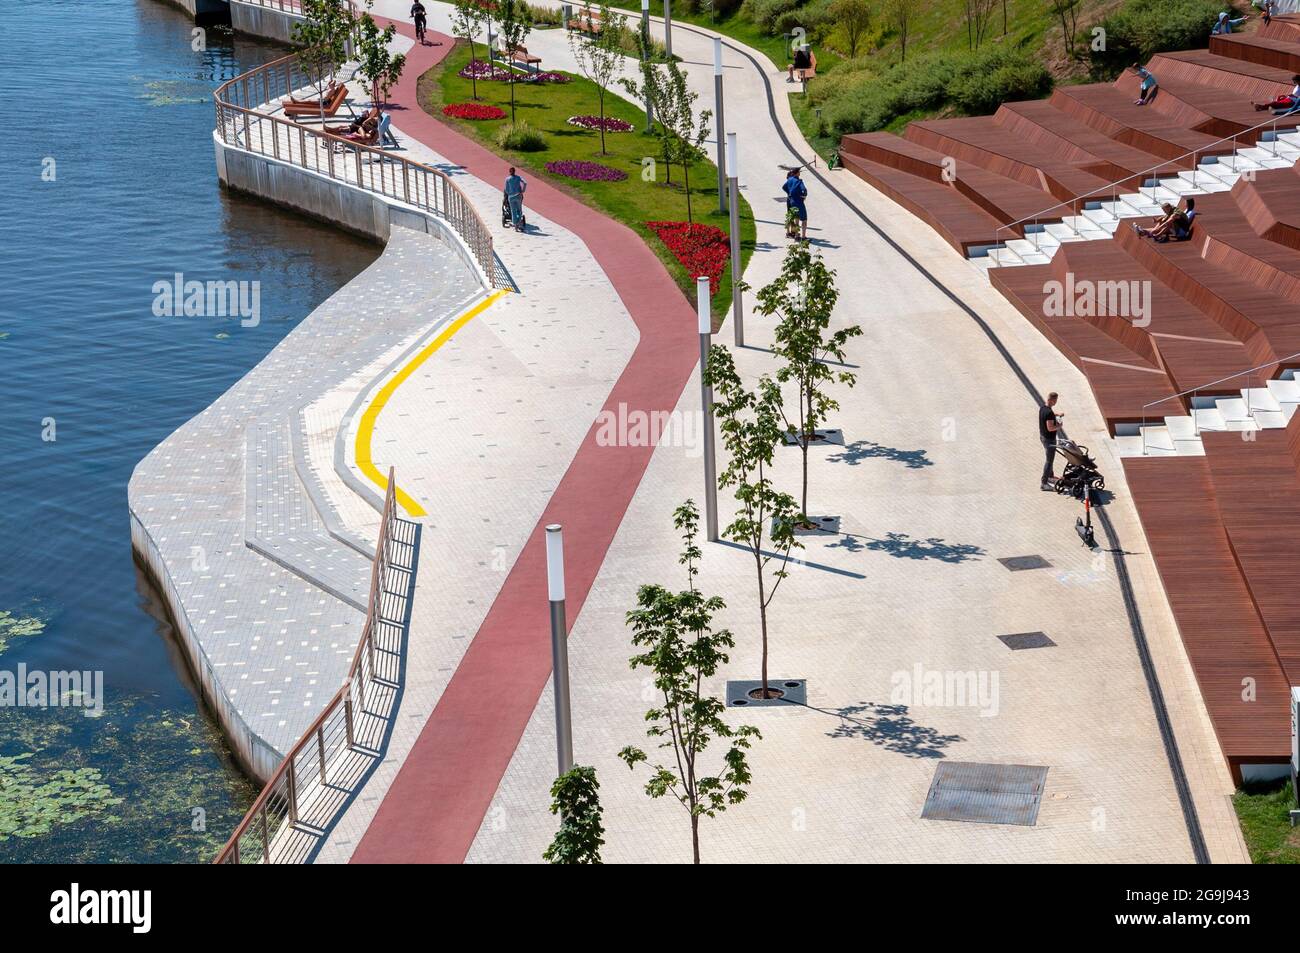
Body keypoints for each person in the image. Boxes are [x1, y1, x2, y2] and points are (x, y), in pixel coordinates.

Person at [1039, 393, 1062, 490]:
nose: (1056, 402)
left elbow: (1048, 416)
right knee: (1049, 461)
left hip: (1043, 437)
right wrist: (1059, 426)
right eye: (1056, 400)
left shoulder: (1043, 408)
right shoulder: (1048, 413)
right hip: (1049, 440)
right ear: (1052, 400)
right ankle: (1044, 483)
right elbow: (1050, 428)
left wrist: (1056, 414)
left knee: (1050, 459)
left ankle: (1050, 476)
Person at [782, 167, 808, 241]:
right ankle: (803, 237)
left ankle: (795, 235)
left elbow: (784, 187)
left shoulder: (789, 180)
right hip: (798, 202)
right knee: (804, 219)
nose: (800, 173)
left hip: (791, 201)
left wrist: (789, 193)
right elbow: (804, 190)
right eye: (799, 172)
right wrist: (803, 196)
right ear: (797, 173)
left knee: (795, 217)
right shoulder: (799, 181)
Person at [504, 166, 527, 231]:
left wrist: (509, 193)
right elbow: (525, 183)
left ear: (509, 172)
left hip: (511, 197)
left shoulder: (507, 179)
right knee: (519, 210)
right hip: (518, 195)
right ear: (514, 171)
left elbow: (506, 189)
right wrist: (522, 191)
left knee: (513, 211)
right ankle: (519, 222)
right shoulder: (518, 177)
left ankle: (515, 225)